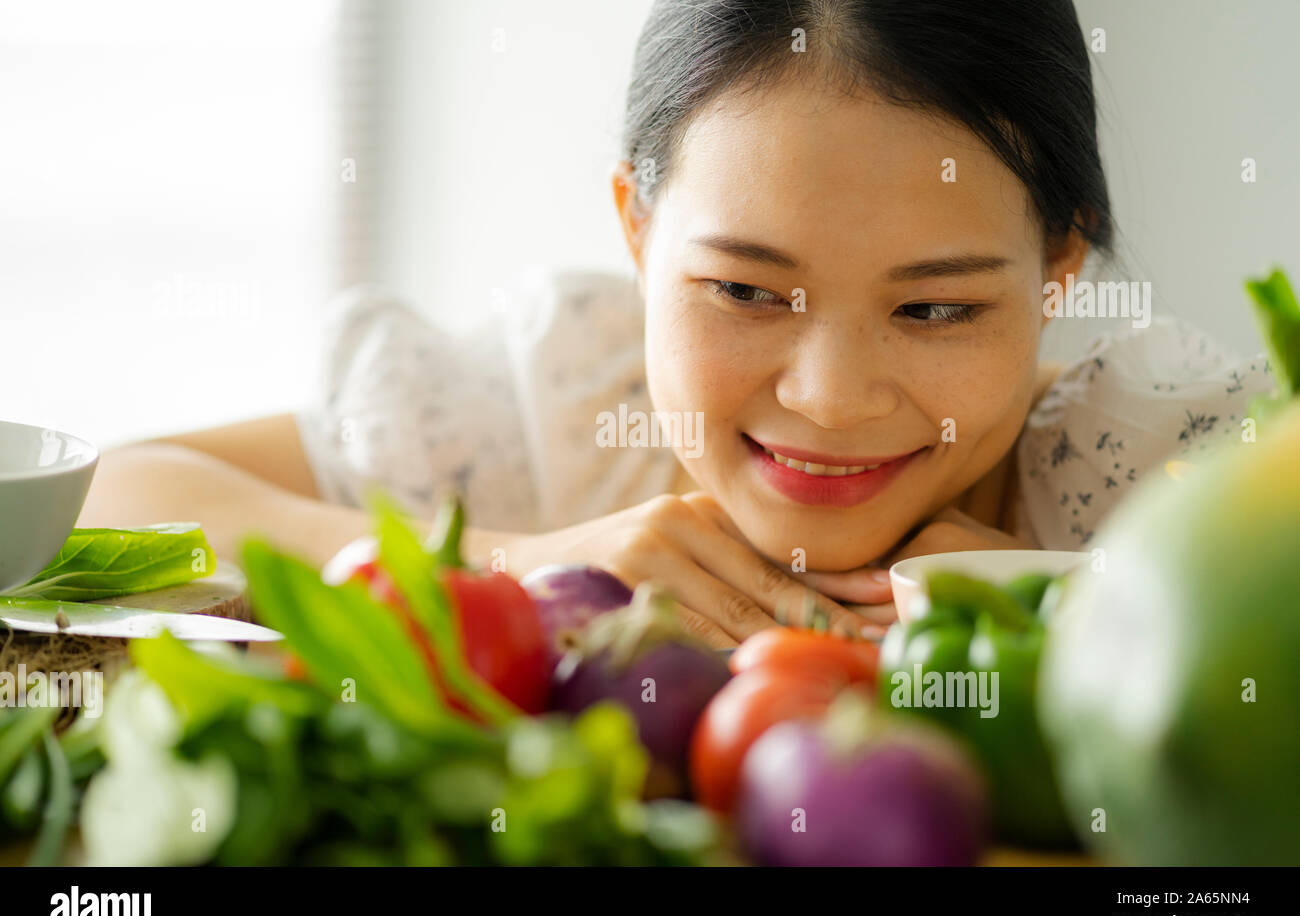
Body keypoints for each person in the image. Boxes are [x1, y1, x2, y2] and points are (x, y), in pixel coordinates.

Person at [79, 0, 1268, 647]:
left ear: (1061, 267)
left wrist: (1084, 610)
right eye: (747, 291)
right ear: (639, 231)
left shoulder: (1168, 470)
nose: (829, 396)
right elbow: (107, 506)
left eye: (936, 306)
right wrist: (524, 569)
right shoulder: (571, 410)